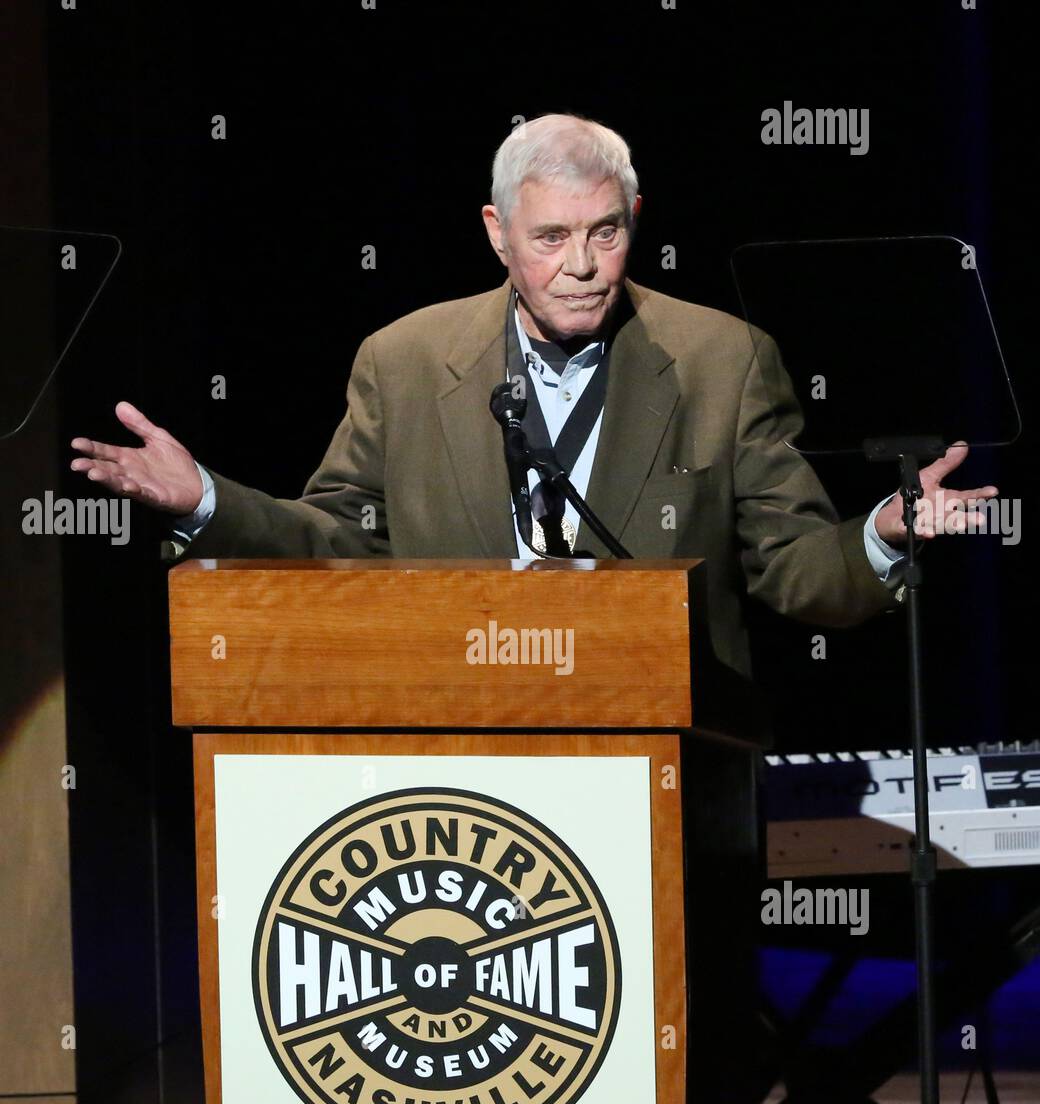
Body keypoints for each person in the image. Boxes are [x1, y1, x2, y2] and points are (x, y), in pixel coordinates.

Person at [69, 113, 995, 683]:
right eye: (550, 237)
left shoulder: (724, 359)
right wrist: (209, 502)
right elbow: (341, 547)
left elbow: (792, 567)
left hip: (662, 760)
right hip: (458, 760)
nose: (582, 267)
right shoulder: (404, 359)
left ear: (636, 223)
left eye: (605, 233)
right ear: (496, 233)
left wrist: (880, 534)